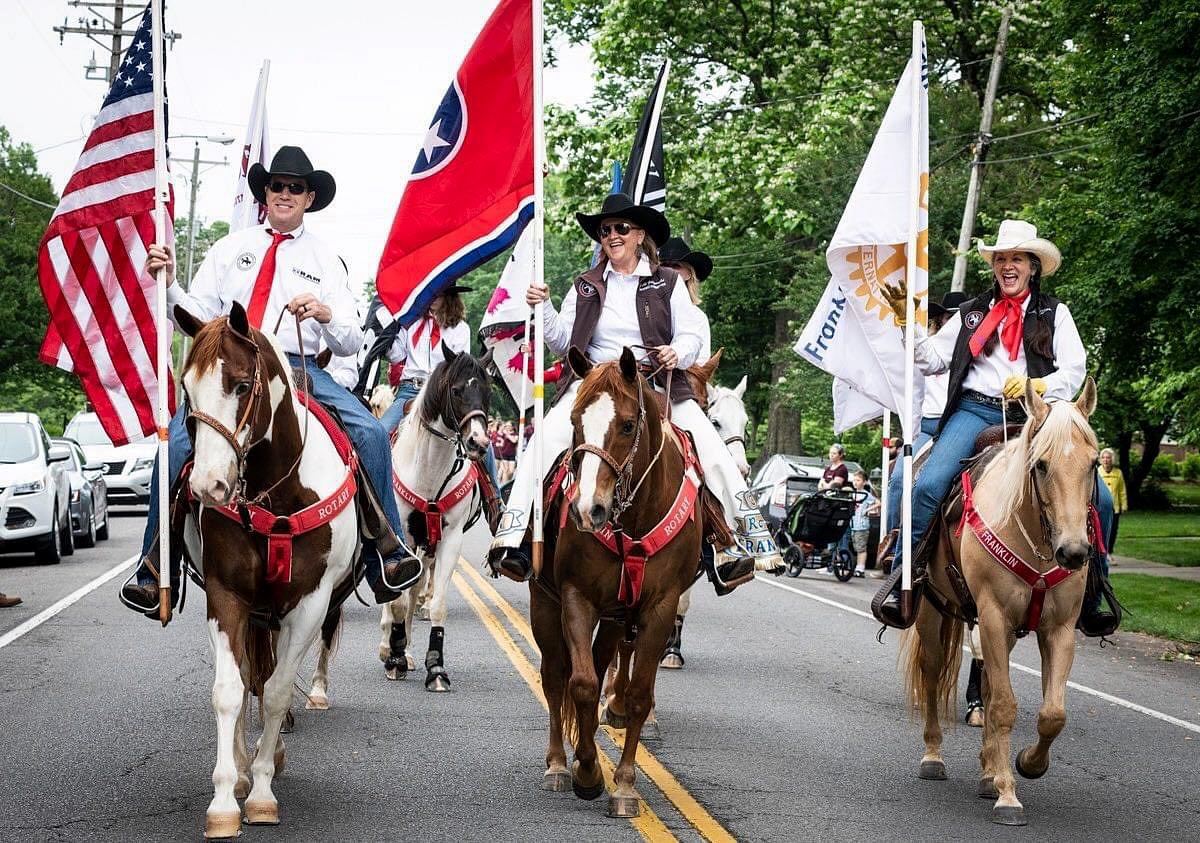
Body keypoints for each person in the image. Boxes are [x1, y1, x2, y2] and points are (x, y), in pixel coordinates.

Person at [121, 145, 422, 614]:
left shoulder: (326, 259)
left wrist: (322, 312)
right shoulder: (229, 249)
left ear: (308, 197)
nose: (285, 193)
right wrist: (171, 282)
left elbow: (347, 340)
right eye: (277, 185)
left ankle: (386, 550)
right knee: (175, 447)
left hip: (296, 369)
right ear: (264, 192)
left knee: (368, 435)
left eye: (295, 187)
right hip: (230, 371)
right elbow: (195, 320)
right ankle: (156, 563)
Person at [487, 192, 782, 592]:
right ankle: (516, 537)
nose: (612, 235)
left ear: (640, 234)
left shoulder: (668, 282)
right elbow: (563, 342)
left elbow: (693, 331)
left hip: (654, 380)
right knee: (544, 440)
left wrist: (677, 351)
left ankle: (733, 543)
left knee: (711, 447)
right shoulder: (585, 286)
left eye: (621, 228)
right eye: (606, 230)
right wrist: (546, 309)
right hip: (595, 384)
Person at [876, 219, 1105, 629]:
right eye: (1001, 259)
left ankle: (1095, 592)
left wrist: (1038, 384)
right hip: (977, 409)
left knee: (1100, 498)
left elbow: (1075, 370)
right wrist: (904, 323)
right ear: (994, 266)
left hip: (1041, 416)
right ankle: (903, 576)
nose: (1008, 265)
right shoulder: (971, 314)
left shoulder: (1056, 314)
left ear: (1033, 266)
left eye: (1016, 258)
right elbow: (930, 359)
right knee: (927, 486)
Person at [884, 291, 968, 541]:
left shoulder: (972, 347)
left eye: (957, 318)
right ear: (939, 319)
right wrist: (906, 324)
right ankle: (892, 540)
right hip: (928, 427)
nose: (952, 322)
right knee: (899, 480)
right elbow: (914, 357)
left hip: (959, 422)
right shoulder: (926, 347)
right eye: (948, 317)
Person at [377, 285, 473, 434]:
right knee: (380, 431)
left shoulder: (460, 329)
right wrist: (386, 338)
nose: (433, 297)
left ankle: (486, 457)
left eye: (438, 293)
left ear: (449, 296)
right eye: (430, 293)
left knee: (479, 438)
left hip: (442, 394)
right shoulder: (410, 322)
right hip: (410, 390)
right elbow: (397, 356)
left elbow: (459, 368)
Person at [659, 237, 714, 362]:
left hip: (681, 376)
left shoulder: (698, 317)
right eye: (664, 265)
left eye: (675, 266)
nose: (669, 270)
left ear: (689, 274)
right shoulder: (644, 307)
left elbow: (701, 364)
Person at [848, 469, 880, 577]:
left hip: (862, 525)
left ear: (864, 482)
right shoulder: (853, 494)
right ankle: (856, 567)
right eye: (854, 480)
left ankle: (860, 568)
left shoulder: (866, 495)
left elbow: (878, 502)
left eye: (858, 480)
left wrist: (867, 510)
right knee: (856, 547)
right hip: (853, 524)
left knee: (861, 548)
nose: (855, 482)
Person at [1098, 448, 1128, 551]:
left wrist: (1124, 505)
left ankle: (1109, 552)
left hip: (1114, 508)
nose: (1106, 460)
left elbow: (1122, 491)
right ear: (1100, 459)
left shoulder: (1118, 473)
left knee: (1112, 531)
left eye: (1108, 457)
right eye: (1104, 457)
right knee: (1101, 531)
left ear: (1112, 459)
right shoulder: (1097, 472)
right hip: (1100, 508)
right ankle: (1101, 552)